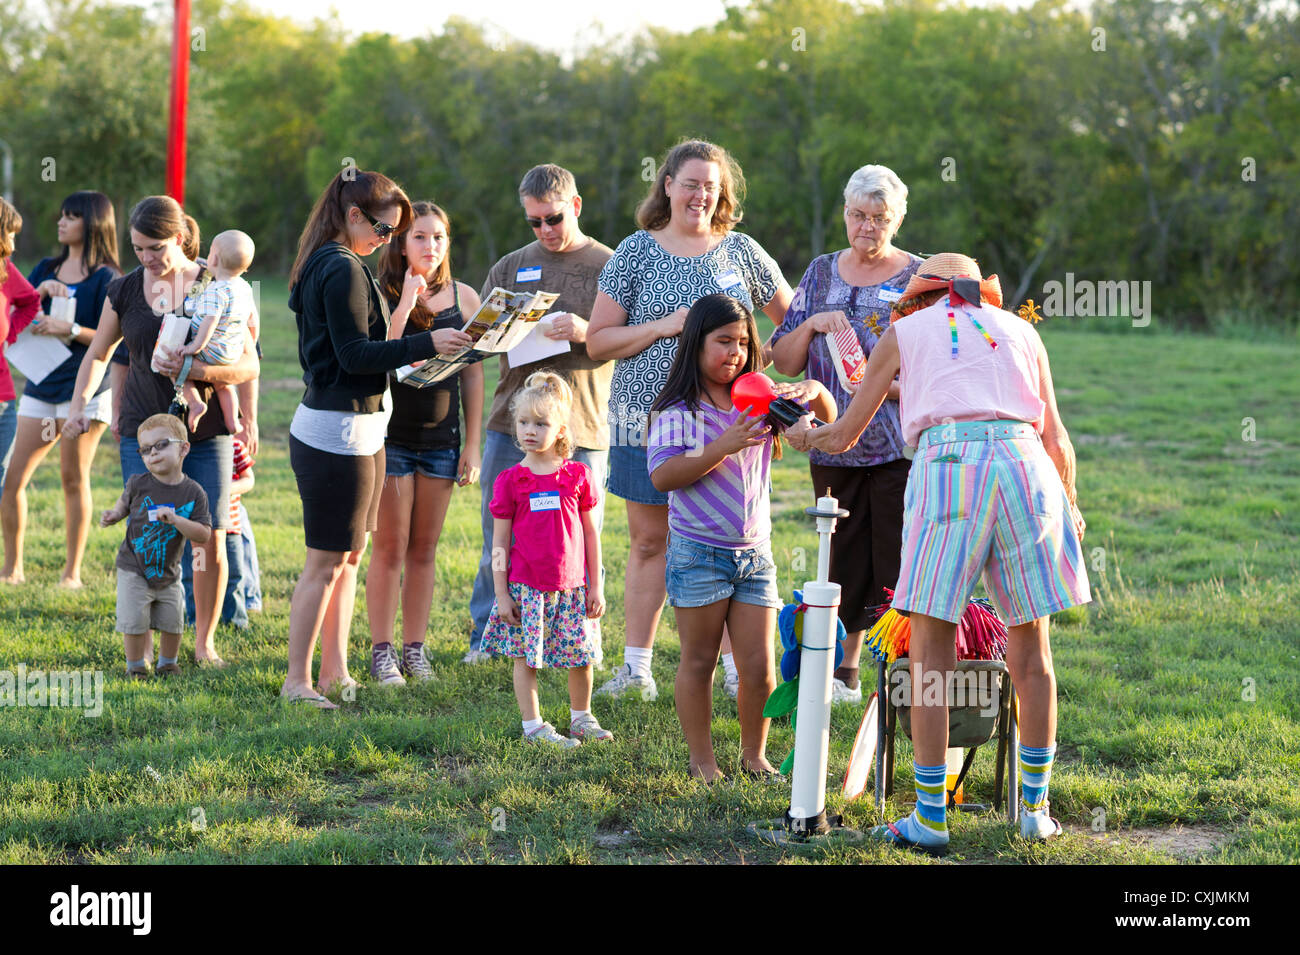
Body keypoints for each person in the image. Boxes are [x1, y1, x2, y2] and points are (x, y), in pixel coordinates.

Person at [788, 253, 1090, 852]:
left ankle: (929, 817)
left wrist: (802, 436)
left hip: (951, 465)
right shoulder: (1022, 332)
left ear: (918, 298)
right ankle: (1034, 810)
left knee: (929, 648)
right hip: (1027, 468)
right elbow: (1056, 437)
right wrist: (1071, 503)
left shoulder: (904, 331)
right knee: (1031, 647)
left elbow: (845, 433)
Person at [588, 139, 793, 701]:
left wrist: (758, 367)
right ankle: (638, 669)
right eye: (691, 182)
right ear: (668, 185)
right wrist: (662, 326)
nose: (701, 194)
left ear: (722, 192)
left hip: (727, 425)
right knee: (651, 541)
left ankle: (734, 670)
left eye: (712, 185)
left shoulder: (743, 252)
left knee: (725, 544)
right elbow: (598, 340)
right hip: (644, 419)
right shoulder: (633, 252)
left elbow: (791, 320)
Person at [65, 195, 259, 667]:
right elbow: (99, 354)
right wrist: (78, 408)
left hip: (205, 428)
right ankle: (148, 644)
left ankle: (204, 642)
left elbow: (249, 359)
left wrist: (236, 407)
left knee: (209, 533)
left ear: (179, 238)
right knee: (150, 531)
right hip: (144, 430)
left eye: (155, 248)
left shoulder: (217, 284)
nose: (147, 259)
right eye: (137, 249)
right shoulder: (126, 288)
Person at [282, 168, 451, 708]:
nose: (390, 243)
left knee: (349, 558)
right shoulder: (342, 268)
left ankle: (334, 672)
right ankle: (297, 681)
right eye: (385, 231)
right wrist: (427, 341)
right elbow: (355, 355)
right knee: (325, 562)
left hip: (361, 429)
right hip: (336, 433)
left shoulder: (337, 262)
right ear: (353, 216)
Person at [647, 294, 835, 780]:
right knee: (700, 661)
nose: (734, 351)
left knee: (759, 669)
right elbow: (664, 477)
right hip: (698, 553)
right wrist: (722, 445)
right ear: (696, 345)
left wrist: (814, 390)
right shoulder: (678, 410)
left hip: (755, 555)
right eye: (723, 341)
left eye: (743, 341)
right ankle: (702, 761)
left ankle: (754, 755)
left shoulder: (762, 398)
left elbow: (829, 421)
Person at [770, 164, 922, 704]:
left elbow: (939, 368)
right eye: (858, 215)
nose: (867, 227)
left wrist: (893, 389)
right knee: (840, 559)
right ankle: (843, 672)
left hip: (899, 444)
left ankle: (905, 675)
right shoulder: (819, 272)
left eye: (879, 218)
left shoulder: (919, 278)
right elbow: (783, 361)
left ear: (897, 220)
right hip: (830, 440)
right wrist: (811, 323)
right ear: (844, 214)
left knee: (901, 558)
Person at [466, 164, 614, 665]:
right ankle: (490, 635)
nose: (545, 231)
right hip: (513, 423)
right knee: (500, 536)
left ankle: (579, 638)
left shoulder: (609, 265)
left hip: (582, 427)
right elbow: (479, 341)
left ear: (575, 206)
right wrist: (499, 331)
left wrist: (584, 329)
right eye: (534, 222)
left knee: (578, 536)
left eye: (552, 218)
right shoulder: (510, 266)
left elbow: (634, 341)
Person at [366, 200, 484, 685]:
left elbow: (474, 376)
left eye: (438, 237)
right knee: (390, 547)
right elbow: (382, 358)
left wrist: (472, 445)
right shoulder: (380, 292)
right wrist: (406, 305)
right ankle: (382, 652)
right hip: (391, 438)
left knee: (424, 549)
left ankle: (415, 649)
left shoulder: (465, 296)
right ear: (400, 241)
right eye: (419, 236)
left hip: (442, 440)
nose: (430, 245)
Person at [481, 372, 609, 747]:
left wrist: (595, 585)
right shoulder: (510, 480)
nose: (530, 431)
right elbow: (500, 542)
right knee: (526, 658)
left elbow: (590, 535)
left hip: (573, 588)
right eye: (523, 423)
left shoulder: (577, 476)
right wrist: (502, 595)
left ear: (562, 429)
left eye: (541, 423)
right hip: (527, 588)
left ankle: (581, 718)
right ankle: (534, 726)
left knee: (581, 657)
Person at [2, 191, 120, 588]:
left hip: (84, 391)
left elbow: (111, 339)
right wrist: (41, 294)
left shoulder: (107, 278)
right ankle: (12, 567)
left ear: (93, 223)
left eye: (71, 216)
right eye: (62, 214)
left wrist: (67, 328)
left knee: (73, 477)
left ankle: (72, 573)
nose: (61, 222)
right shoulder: (45, 266)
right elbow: (19, 309)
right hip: (41, 383)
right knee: (13, 478)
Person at [99, 413, 211, 678]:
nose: (153, 454)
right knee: (135, 621)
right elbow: (124, 502)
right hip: (134, 567)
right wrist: (114, 515)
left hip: (169, 572)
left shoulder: (194, 492)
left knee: (174, 622)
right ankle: (135, 666)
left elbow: (204, 534)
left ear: (184, 448)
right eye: (146, 450)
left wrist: (176, 520)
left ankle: (168, 663)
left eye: (161, 445)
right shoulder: (138, 483)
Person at [177, 230, 257, 433]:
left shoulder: (216, 290)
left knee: (176, 368)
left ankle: (195, 403)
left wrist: (194, 346)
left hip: (210, 350)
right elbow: (252, 320)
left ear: (213, 258)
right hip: (231, 352)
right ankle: (233, 422)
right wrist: (250, 341)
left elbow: (209, 323)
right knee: (224, 385)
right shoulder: (245, 288)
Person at [0, 198, 41, 491]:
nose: (13, 244)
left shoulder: (5, 271)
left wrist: (8, 334)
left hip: (3, 401)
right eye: (10, 234)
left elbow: (30, 302)